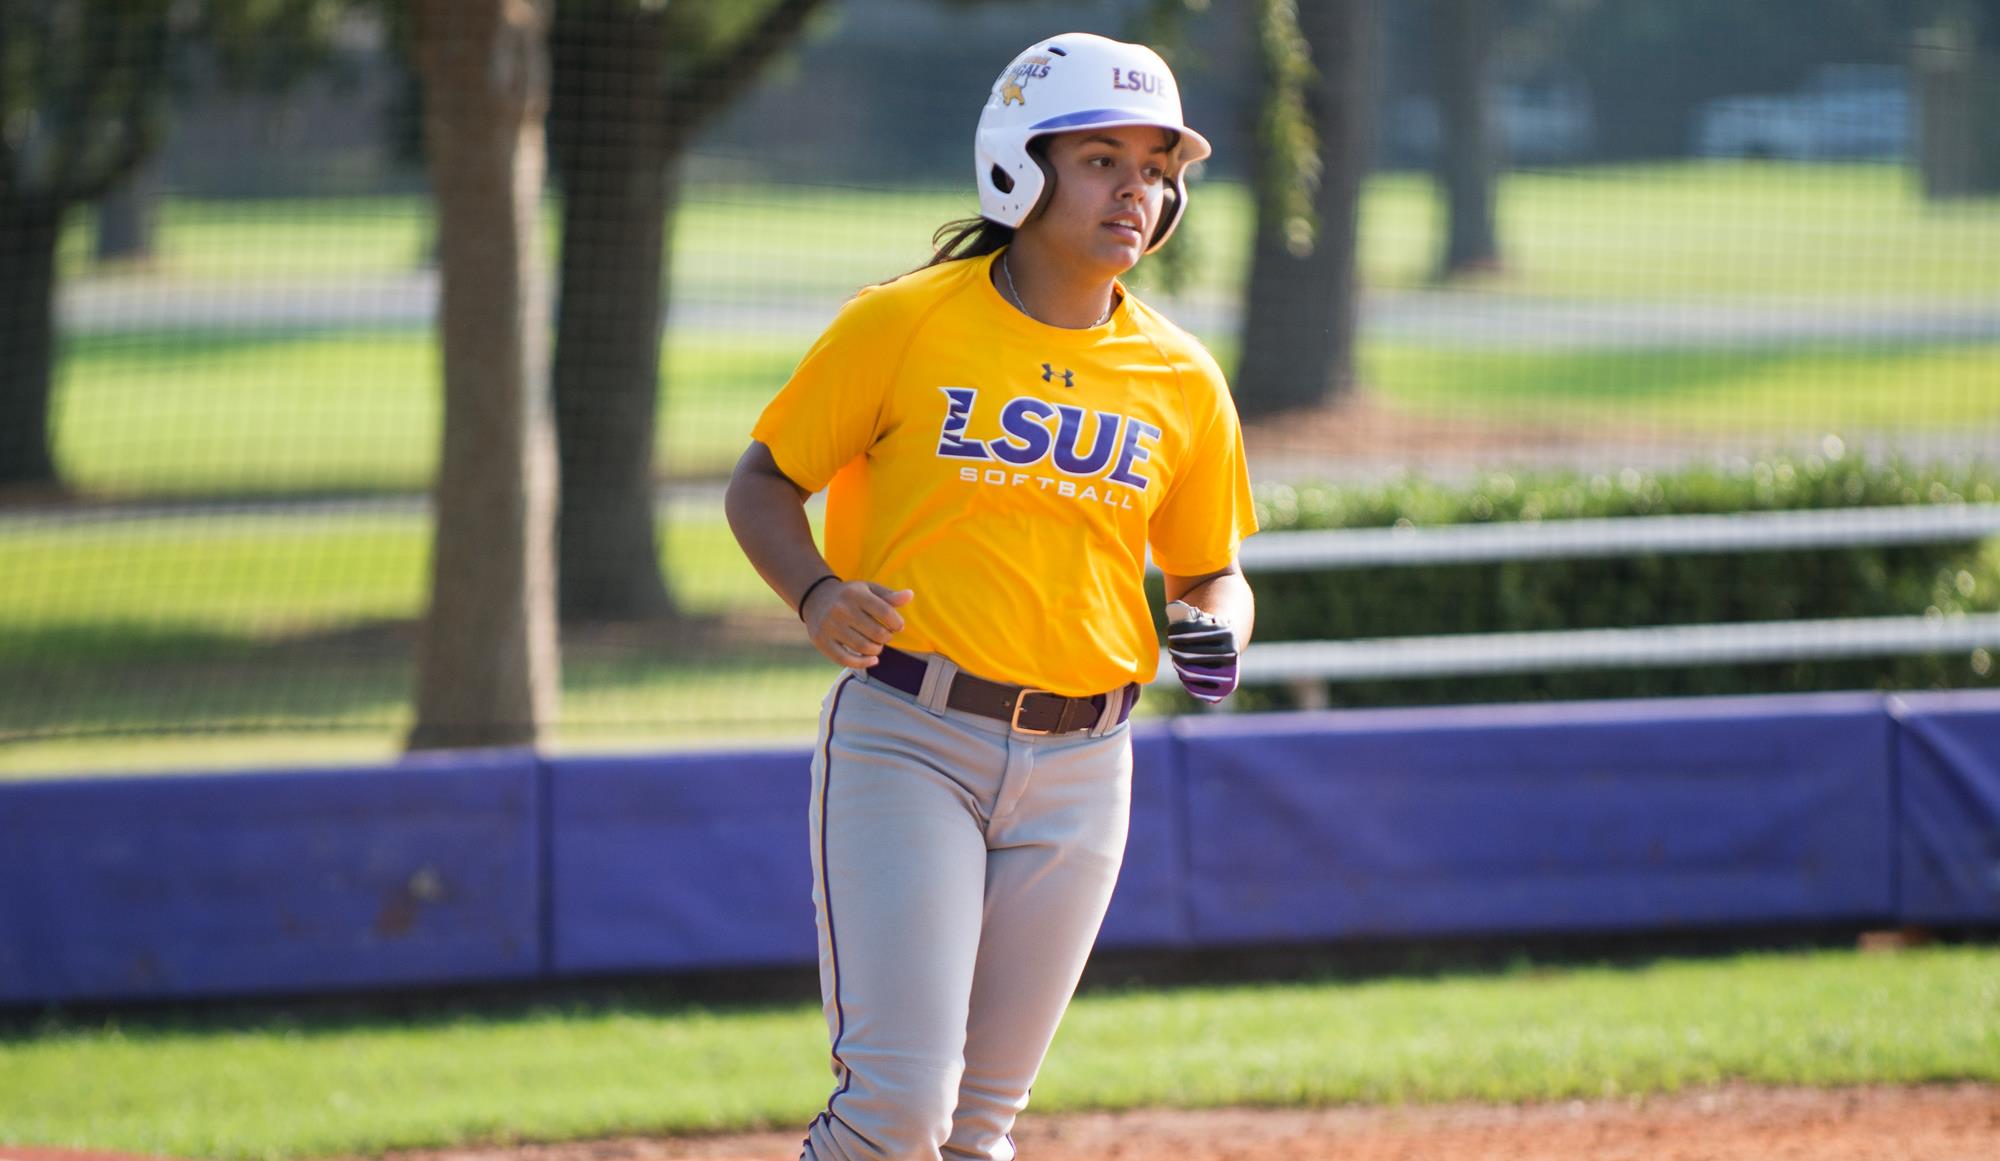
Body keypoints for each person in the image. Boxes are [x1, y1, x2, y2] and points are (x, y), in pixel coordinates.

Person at [724, 31, 1257, 1161]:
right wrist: (814, 591)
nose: (1138, 190)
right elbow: (763, 483)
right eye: (1102, 158)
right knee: (894, 1117)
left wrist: (1215, 623)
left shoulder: (1182, 379)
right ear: (1021, 163)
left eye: (1157, 168)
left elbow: (1206, 563)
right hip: (910, 740)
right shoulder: (904, 321)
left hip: (1084, 770)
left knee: (977, 1133)